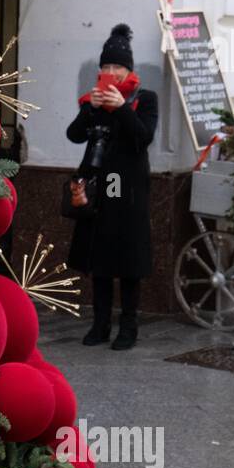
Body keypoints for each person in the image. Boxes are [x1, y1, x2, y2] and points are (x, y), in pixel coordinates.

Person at [66, 24, 158, 350]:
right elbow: (74, 135)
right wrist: (91, 108)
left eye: (116, 66)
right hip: (96, 184)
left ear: (128, 69)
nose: (110, 72)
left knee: (125, 255)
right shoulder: (92, 102)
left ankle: (128, 327)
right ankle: (100, 324)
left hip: (123, 185)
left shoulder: (144, 100)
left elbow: (142, 137)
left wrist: (120, 107)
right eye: (105, 66)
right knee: (100, 255)